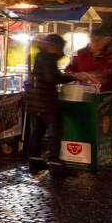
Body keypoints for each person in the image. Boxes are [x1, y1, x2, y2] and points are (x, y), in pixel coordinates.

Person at [66, 25, 112, 150]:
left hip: (108, 99)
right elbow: (68, 70)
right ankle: (89, 153)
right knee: (87, 128)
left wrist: (105, 76)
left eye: (99, 40)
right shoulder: (80, 53)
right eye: (93, 40)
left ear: (106, 40)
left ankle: (107, 154)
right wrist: (76, 75)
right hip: (85, 99)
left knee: (110, 128)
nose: (95, 43)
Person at [24, 33, 74, 172]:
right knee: (55, 131)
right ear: (54, 46)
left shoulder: (42, 56)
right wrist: (71, 77)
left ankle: (35, 160)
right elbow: (51, 77)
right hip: (46, 101)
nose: (61, 50)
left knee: (38, 132)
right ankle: (55, 163)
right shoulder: (47, 58)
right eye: (60, 47)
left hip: (36, 101)